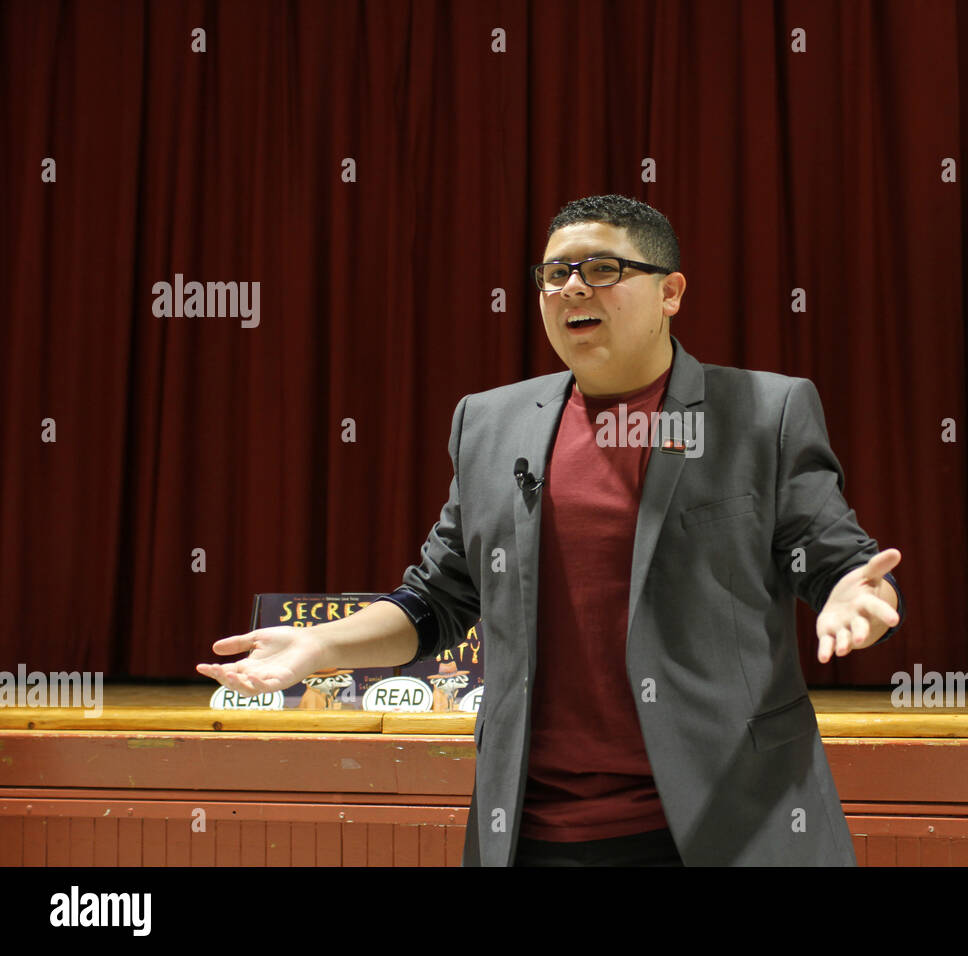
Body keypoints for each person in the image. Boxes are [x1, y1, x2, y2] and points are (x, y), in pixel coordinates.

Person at [198, 194, 905, 867]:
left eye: (603, 270)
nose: (572, 289)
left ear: (671, 292)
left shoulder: (762, 412)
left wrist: (851, 591)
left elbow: (837, 557)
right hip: (532, 833)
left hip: (722, 827)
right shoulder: (489, 423)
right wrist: (319, 644)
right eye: (554, 274)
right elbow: (436, 602)